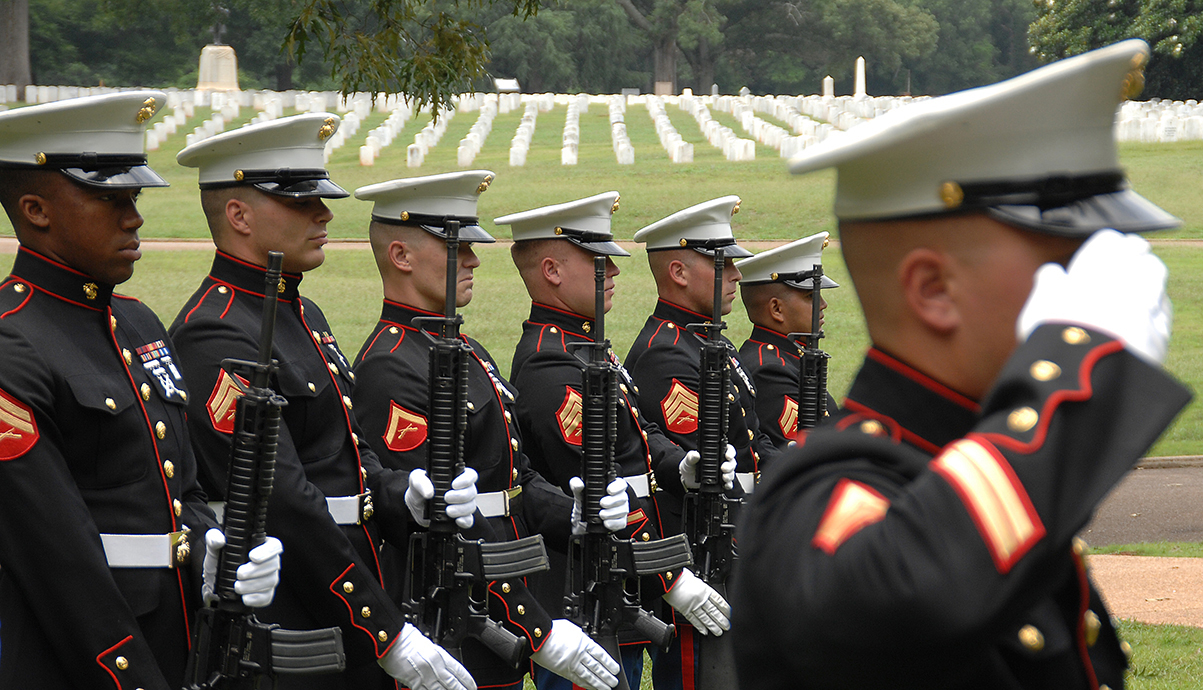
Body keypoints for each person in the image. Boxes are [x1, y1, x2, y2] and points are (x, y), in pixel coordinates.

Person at [731, 39, 1192, 690]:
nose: (1092, 296)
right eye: (1066, 262)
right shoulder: (822, 499)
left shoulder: (977, 468)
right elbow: (894, 599)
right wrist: (1071, 375)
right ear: (932, 290)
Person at [169, 114, 476, 690]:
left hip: (351, 591)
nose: (325, 214)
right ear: (238, 215)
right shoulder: (216, 333)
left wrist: (402, 495)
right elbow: (280, 498)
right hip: (294, 610)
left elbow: (354, 457)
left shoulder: (303, 314)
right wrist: (381, 628)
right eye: (301, 203)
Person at [0, 91, 280, 689]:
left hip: (183, 643)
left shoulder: (138, 323)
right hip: (86, 661)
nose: (135, 217)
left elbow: (182, 484)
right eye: (109, 199)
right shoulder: (11, 345)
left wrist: (214, 550)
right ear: (36, 210)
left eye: (133, 197)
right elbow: (58, 561)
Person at [350, 171, 627, 690]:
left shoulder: (465, 351)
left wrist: (575, 511)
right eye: (455, 246)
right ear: (401, 256)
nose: (474, 259)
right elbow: (431, 526)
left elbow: (515, 480)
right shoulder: (391, 365)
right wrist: (533, 623)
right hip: (450, 618)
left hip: (494, 601)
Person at [499, 192, 733, 690]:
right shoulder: (551, 364)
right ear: (553, 271)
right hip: (586, 594)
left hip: (623, 581)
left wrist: (680, 464)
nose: (614, 272)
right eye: (597, 260)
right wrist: (669, 576)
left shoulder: (582, 348)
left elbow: (640, 439)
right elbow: (601, 490)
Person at [621, 196, 774, 689]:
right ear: (680, 272)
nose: (735, 276)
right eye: (722, 264)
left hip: (736, 538)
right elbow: (698, 478)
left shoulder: (708, 342)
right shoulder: (667, 352)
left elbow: (751, 441)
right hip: (704, 552)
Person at [735, 232, 840, 449]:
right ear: (776, 309)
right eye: (810, 296)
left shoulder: (787, 356)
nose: (823, 304)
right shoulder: (770, 370)